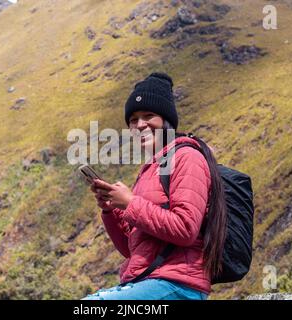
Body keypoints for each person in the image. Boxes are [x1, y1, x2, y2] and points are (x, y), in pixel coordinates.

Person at [82, 72, 227, 300]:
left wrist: (130, 202)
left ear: (166, 120)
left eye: (148, 115)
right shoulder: (151, 167)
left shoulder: (188, 157)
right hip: (149, 282)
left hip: (179, 286)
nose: (140, 125)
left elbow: (185, 229)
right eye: (133, 119)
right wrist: (111, 210)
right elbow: (133, 249)